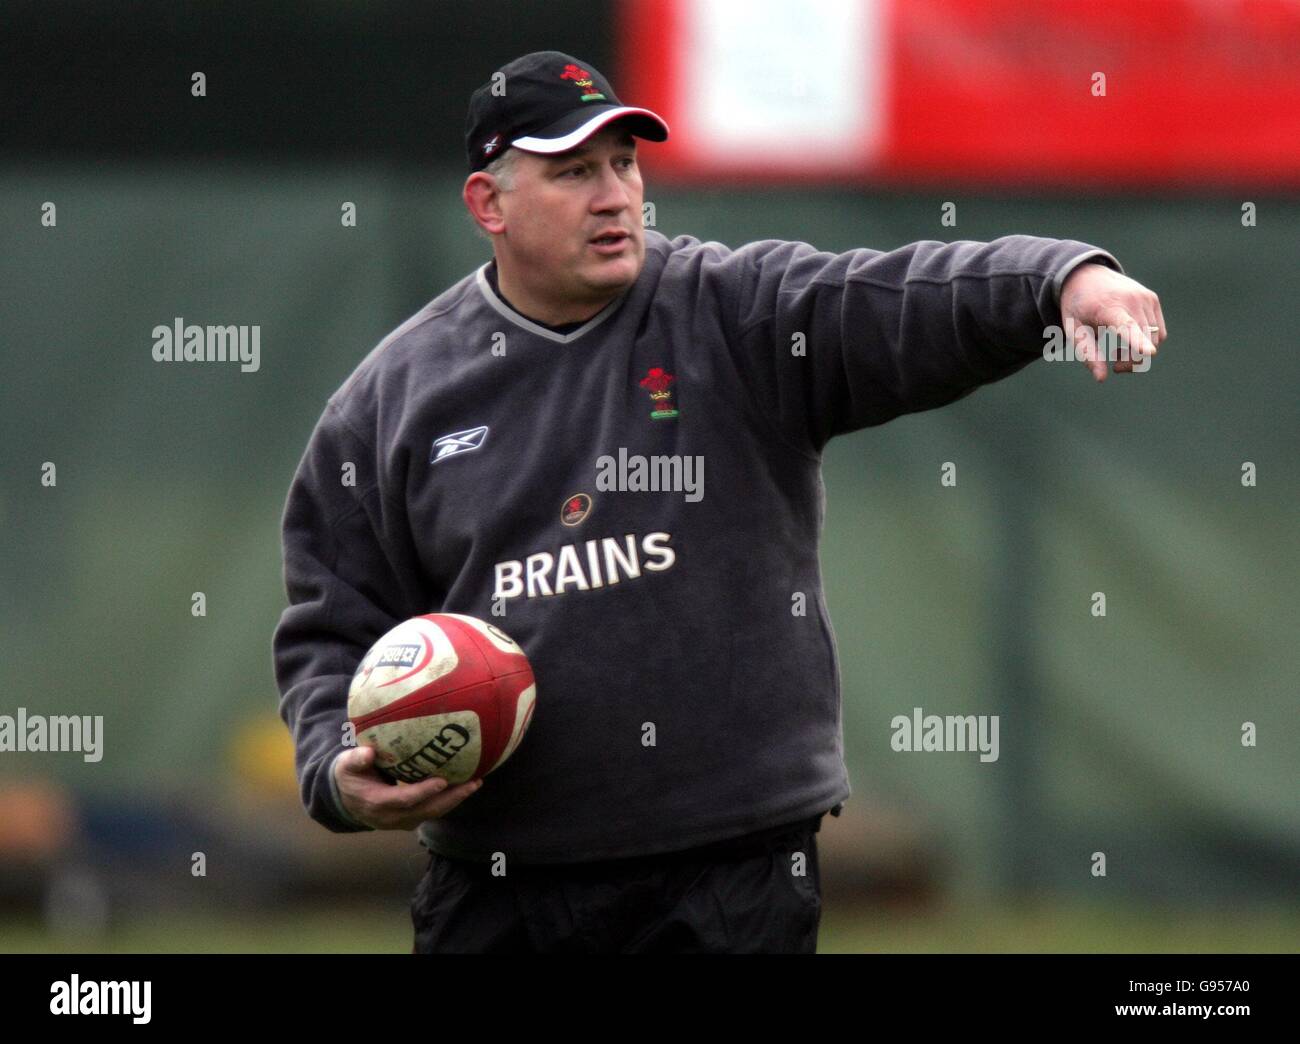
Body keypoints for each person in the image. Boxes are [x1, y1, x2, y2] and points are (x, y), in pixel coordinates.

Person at [272, 50, 1166, 954]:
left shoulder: (734, 314)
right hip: (502, 889)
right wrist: (334, 775)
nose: (615, 195)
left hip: (731, 878)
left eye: (624, 164)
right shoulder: (394, 399)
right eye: (574, 171)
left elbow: (903, 297)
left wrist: (1059, 280)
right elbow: (332, 619)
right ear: (487, 204)